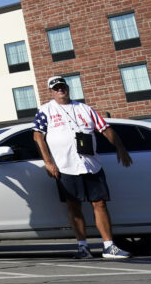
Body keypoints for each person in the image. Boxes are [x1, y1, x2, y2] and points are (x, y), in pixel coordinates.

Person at [32, 75, 133, 260]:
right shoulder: (45, 110)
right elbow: (38, 136)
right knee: (74, 205)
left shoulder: (85, 108)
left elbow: (105, 128)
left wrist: (120, 148)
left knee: (100, 203)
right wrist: (48, 162)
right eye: (56, 88)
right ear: (51, 91)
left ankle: (109, 246)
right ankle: (83, 247)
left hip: (91, 164)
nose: (60, 89)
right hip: (65, 165)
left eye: (62, 86)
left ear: (67, 88)